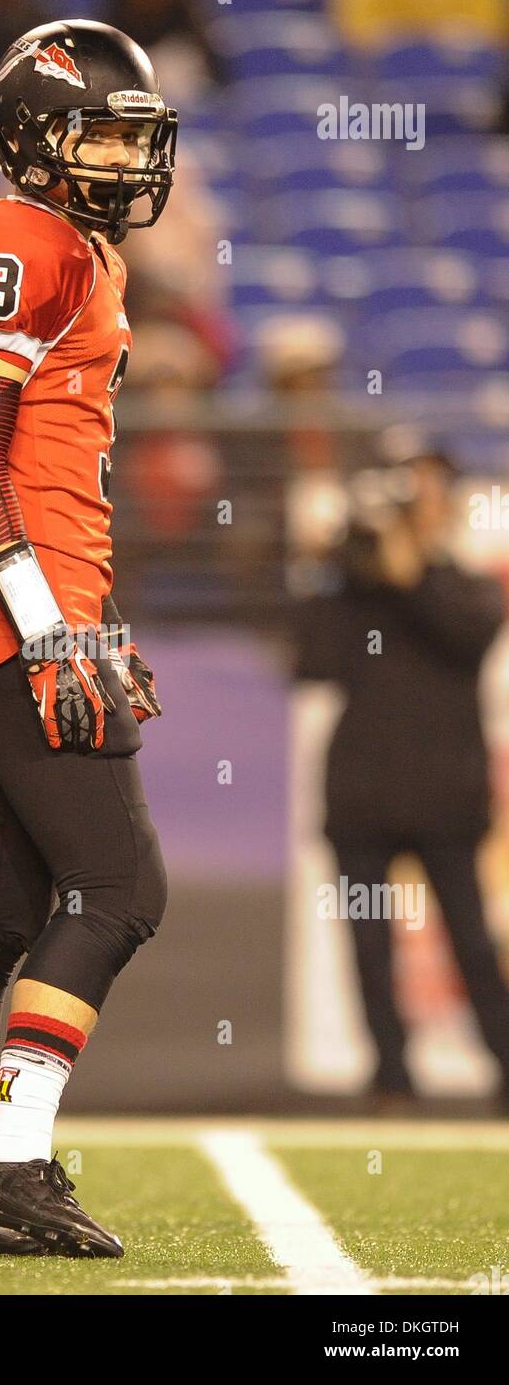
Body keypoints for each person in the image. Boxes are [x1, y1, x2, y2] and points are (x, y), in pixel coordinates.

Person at [0, 19, 174, 1257]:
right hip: (15, 614)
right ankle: (12, 1159)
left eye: (136, 136)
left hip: (13, 612)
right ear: (31, 137)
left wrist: (80, 622)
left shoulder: (72, 250)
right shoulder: (14, 237)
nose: (125, 159)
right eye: (104, 132)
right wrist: (51, 631)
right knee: (118, 889)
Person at [295, 448, 509, 1110]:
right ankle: (390, 1075)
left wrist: (408, 571)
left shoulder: (462, 583)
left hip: (444, 796)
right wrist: (321, 569)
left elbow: (468, 634)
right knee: (368, 940)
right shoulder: (350, 591)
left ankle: (502, 1063)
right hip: (362, 794)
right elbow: (311, 663)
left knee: (469, 939)